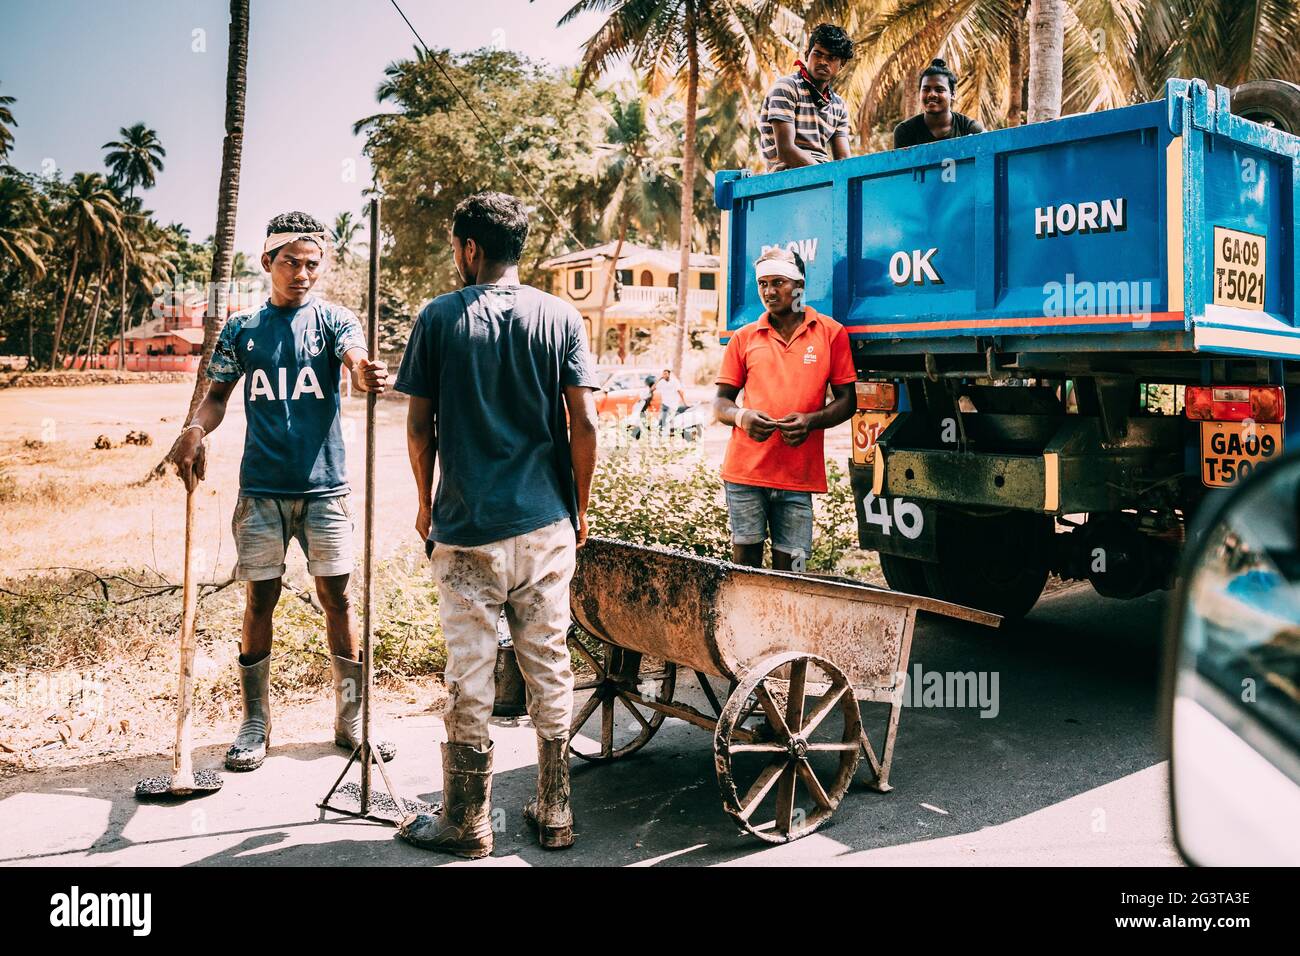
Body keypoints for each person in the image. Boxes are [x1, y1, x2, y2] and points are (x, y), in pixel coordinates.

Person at [393, 192, 600, 858]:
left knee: (471, 672)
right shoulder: (560, 316)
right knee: (549, 664)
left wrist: (426, 501)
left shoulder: (437, 318)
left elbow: (419, 427)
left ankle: (467, 822)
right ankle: (557, 811)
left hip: (468, 529)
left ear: (470, 249)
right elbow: (586, 424)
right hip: (546, 526)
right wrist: (580, 507)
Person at [171, 211, 394, 772]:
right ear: (267, 261)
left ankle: (350, 718)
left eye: (312, 264)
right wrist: (195, 429)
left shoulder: (335, 320)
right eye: (291, 262)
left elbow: (355, 359)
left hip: (325, 489)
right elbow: (217, 396)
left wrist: (366, 372)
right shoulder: (242, 329)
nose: (302, 273)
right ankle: (255, 722)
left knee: (338, 599)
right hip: (262, 490)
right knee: (259, 600)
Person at [713, 247, 857, 571]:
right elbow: (720, 403)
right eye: (763, 283)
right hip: (745, 473)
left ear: (799, 286)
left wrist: (811, 421)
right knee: (745, 567)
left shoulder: (831, 334)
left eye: (778, 282)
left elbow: (848, 401)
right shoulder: (744, 337)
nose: (769, 291)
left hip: (797, 476)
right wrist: (742, 417)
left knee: (794, 570)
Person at [758, 23, 855, 172]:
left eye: (831, 57)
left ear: (841, 64)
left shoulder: (838, 105)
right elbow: (786, 151)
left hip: (823, 180)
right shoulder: (787, 87)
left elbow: (843, 160)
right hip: (786, 178)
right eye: (818, 54)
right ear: (807, 55)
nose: (823, 61)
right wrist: (825, 176)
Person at [893, 58, 985, 148]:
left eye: (939, 90)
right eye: (926, 89)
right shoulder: (905, 131)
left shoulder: (970, 129)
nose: (931, 94)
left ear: (952, 94)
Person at [654, 367, 686, 434]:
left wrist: (684, 402)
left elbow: (680, 391)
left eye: (665, 374)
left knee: (670, 418)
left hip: (673, 404)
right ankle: (661, 431)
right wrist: (659, 379)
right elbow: (653, 388)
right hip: (665, 404)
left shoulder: (675, 381)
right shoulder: (661, 382)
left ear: (669, 374)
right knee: (664, 417)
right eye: (663, 374)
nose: (664, 375)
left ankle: (665, 431)